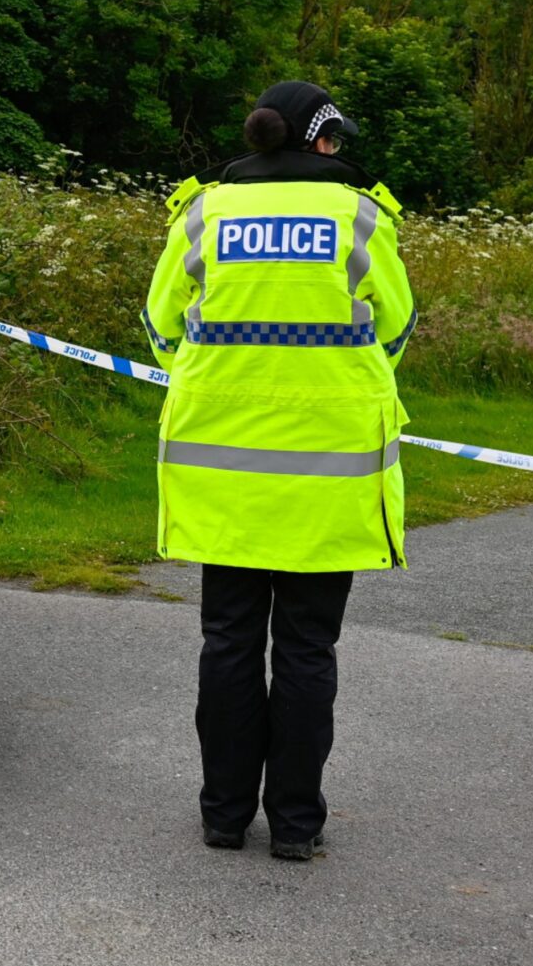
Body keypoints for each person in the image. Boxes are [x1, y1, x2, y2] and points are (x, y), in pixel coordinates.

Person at [143, 80, 416, 861]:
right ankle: (296, 826)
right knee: (306, 650)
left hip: (220, 474)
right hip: (328, 482)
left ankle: (223, 816)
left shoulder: (201, 214)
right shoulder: (362, 217)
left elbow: (163, 329)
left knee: (227, 642)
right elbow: (394, 331)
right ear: (321, 142)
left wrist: (223, 377)